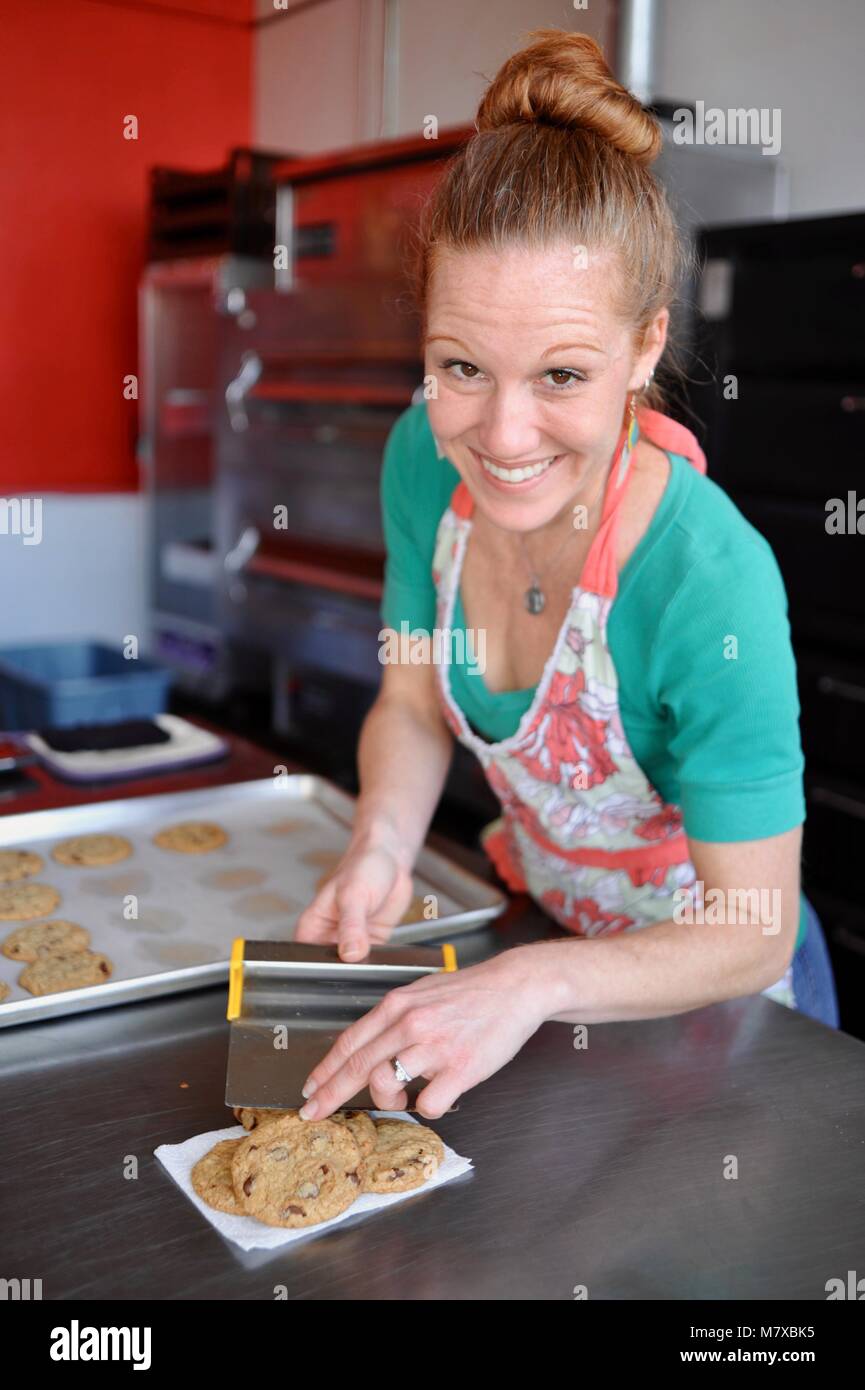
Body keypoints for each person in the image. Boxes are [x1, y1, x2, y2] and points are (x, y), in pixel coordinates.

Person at [294, 28, 840, 1123]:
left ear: (644, 349)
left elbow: (752, 927)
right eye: (460, 366)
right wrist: (379, 843)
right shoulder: (421, 456)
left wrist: (530, 984)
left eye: (560, 375)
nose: (499, 435)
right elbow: (410, 697)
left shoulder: (705, 577)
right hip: (541, 960)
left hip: (721, 1010)